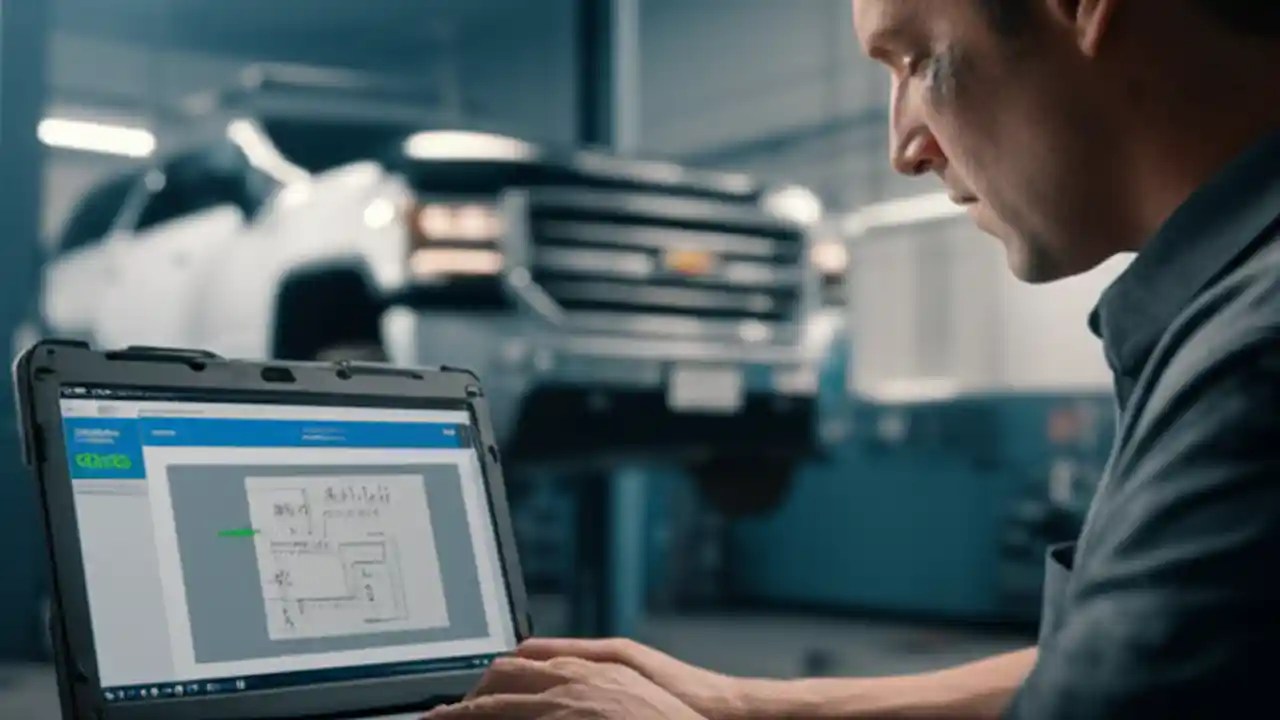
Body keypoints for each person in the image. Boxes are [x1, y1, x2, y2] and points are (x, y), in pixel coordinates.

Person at [425, 0, 1280, 717]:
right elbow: (1135, 656)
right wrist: (746, 705)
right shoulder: (1226, 310)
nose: (905, 147)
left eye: (916, 61)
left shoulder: (1253, 362)